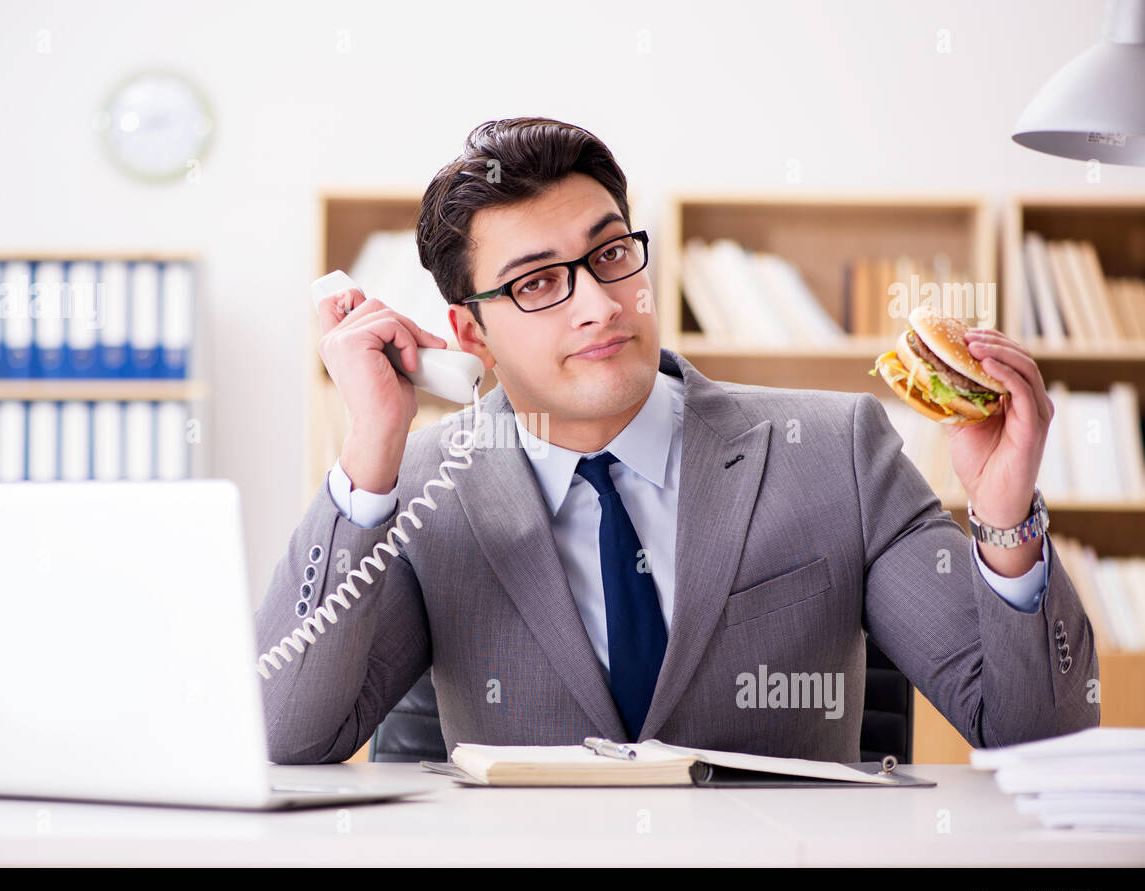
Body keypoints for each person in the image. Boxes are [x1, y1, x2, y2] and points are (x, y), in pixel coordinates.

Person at [254, 116, 1097, 763]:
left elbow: (1034, 738)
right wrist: (370, 453)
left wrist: (1005, 517)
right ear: (469, 337)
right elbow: (290, 738)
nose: (599, 304)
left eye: (611, 253)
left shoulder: (836, 447)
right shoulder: (424, 490)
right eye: (539, 282)